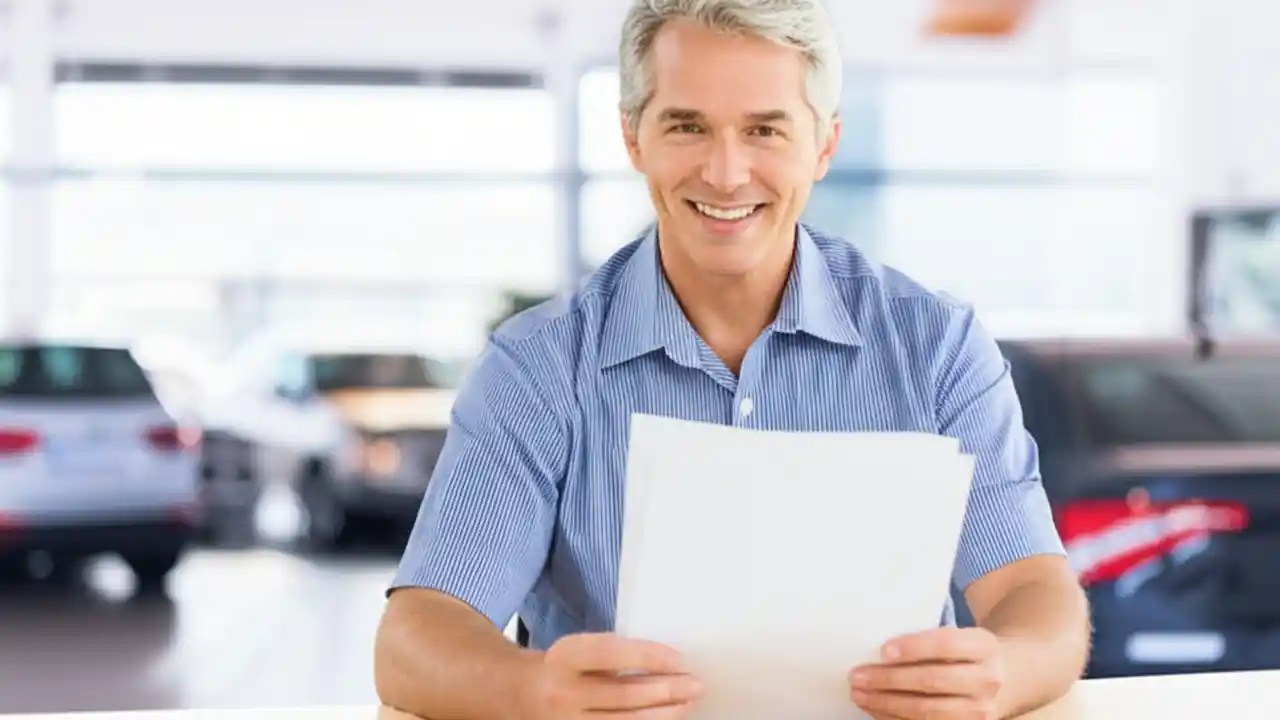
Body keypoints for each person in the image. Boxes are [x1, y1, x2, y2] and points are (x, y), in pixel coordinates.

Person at [375, 1, 1090, 718]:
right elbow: (415, 637)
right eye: (687, 126)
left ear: (824, 145)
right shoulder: (539, 366)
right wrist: (530, 690)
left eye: (764, 130)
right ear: (634, 138)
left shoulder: (936, 348)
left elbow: (1035, 592)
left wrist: (1005, 668)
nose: (725, 172)